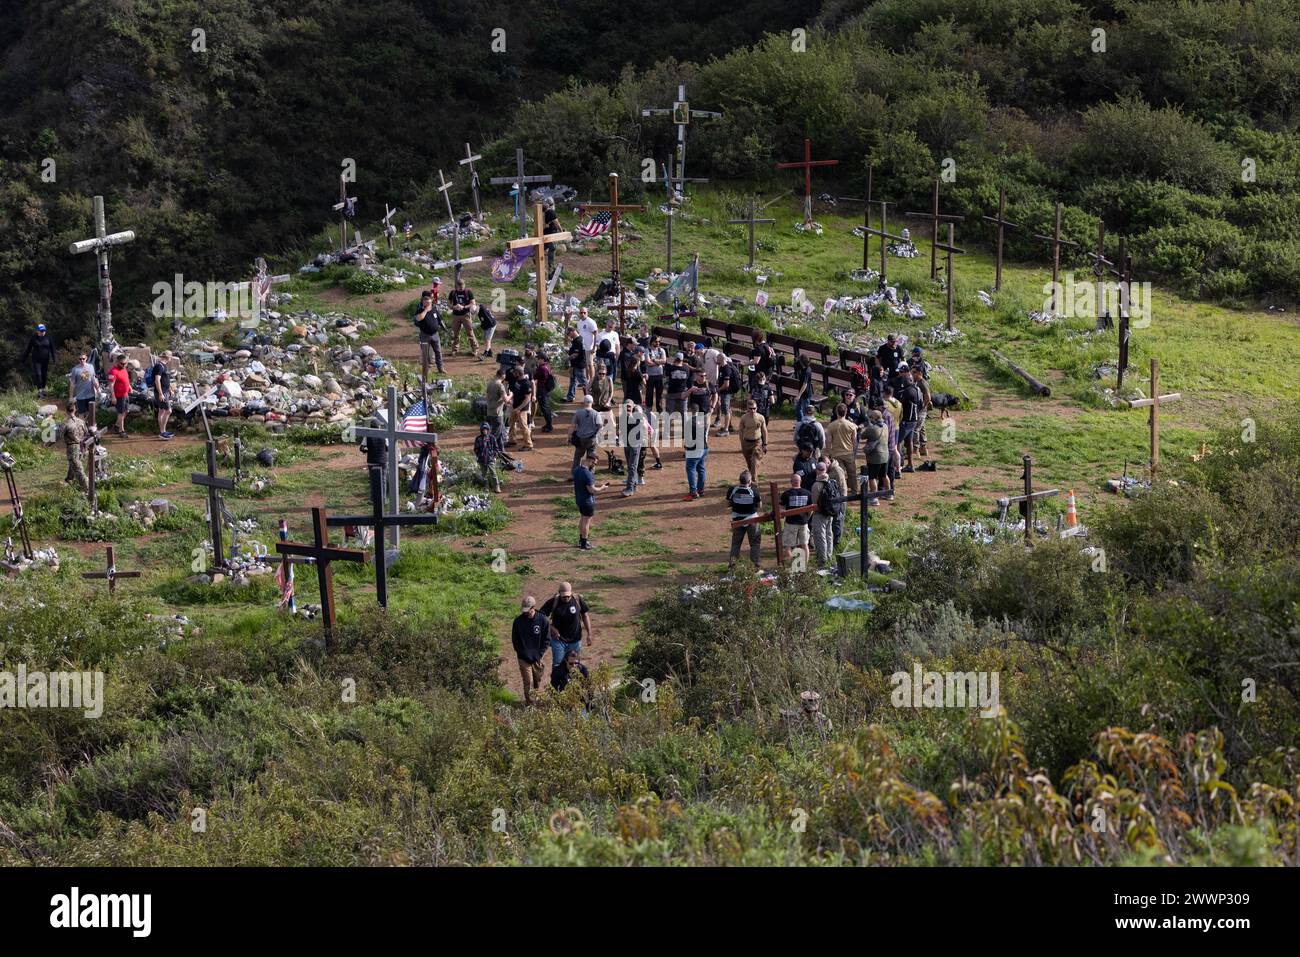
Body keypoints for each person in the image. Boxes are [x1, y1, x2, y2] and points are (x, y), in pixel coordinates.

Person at [541, 582, 592, 678]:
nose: (566, 598)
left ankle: (573, 688)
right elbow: (541, 617)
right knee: (558, 665)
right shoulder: (553, 602)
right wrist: (551, 628)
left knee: (574, 664)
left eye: (568, 596)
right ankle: (557, 688)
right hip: (558, 640)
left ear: (571, 593)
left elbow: (585, 615)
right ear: (559, 593)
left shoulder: (577, 600)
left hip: (575, 640)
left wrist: (589, 634)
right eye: (564, 596)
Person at [511, 596, 551, 705]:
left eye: (528, 610)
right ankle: (530, 704)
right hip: (523, 658)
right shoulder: (518, 622)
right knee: (528, 681)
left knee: (537, 680)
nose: (526, 613)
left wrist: (539, 654)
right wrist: (522, 654)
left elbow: (546, 640)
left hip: (537, 657)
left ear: (533, 607)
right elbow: (515, 641)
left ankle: (536, 698)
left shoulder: (543, 620)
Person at [726, 470, 762, 570]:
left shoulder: (732, 489)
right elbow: (760, 505)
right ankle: (755, 567)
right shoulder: (754, 491)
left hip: (737, 520)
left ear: (739, 480)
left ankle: (732, 567)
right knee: (755, 544)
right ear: (750, 481)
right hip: (752, 520)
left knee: (736, 544)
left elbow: (728, 503)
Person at [573, 449, 609, 550]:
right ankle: (584, 544)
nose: (594, 465)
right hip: (587, 501)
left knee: (582, 519)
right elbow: (592, 490)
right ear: (591, 461)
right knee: (586, 522)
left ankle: (581, 541)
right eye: (595, 463)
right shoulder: (587, 474)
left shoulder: (576, 470)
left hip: (579, 499)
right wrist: (602, 488)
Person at [589, 362, 619, 473]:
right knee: (598, 424)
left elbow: (611, 392)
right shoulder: (593, 379)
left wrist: (608, 400)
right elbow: (587, 389)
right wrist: (591, 399)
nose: (602, 375)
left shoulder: (609, 380)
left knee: (611, 421)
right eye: (600, 373)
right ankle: (597, 438)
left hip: (605, 404)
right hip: (596, 405)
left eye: (603, 373)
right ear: (597, 372)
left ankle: (614, 437)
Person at [779, 474, 813, 569]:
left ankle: (793, 566)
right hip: (803, 523)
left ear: (791, 482)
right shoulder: (808, 493)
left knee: (788, 545)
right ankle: (804, 566)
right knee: (805, 544)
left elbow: (781, 510)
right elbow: (811, 509)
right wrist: (807, 518)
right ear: (800, 482)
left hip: (790, 523)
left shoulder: (786, 494)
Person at [808, 462, 838, 568]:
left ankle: (822, 560)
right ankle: (829, 557)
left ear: (817, 470)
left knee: (820, 537)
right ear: (826, 470)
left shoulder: (816, 485)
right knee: (829, 535)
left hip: (819, 514)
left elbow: (815, 502)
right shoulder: (832, 482)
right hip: (830, 513)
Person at [412, 289, 446, 375]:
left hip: (435, 334)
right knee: (425, 354)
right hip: (425, 335)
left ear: (431, 301)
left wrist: (444, 328)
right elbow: (419, 318)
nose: (426, 302)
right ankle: (425, 371)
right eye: (424, 300)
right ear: (422, 301)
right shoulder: (420, 310)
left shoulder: (434, 309)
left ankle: (441, 369)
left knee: (438, 352)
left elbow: (439, 319)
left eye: (428, 300)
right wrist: (425, 310)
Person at [825, 403, 858, 491]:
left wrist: (828, 453)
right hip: (849, 453)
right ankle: (854, 490)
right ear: (846, 412)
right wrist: (854, 452)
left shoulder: (831, 426)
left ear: (836, 412)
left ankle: (841, 491)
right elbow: (854, 441)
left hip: (836, 453)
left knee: (840, 474)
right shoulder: (852, 426)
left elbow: (828, 441)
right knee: (852, 473)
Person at [618, 400, 647, 496]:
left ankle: (629, 489)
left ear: (633, 407)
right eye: (625, 407)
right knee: (630, 465)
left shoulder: (637, 415)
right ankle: (633, 486)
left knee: (632, 466)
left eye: (629, 407)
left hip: (635, 444)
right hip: (627, 443)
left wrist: (630, 415)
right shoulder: (623, 416)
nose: (627, 409)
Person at [738, 397, 769, 481]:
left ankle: (754, 484)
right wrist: (742, 443)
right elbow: (741, 431)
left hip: (757, 442)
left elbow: (764, 430)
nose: (752, 411)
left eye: (754, 408)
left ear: (757, 408)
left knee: (754, 463)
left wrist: (765, 444)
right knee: (750, 465)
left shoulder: (761, 417)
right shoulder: (744, 418)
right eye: (750, 409)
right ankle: (749, 481)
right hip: (746, 443)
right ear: (747, 408)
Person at [144, 353, 174, 440]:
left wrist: (169, 389)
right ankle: (162, 432)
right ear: (167, 357)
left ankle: (163, 431)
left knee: (161, 411)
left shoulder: (164, 366)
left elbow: (166, 379)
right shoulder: (159, 366)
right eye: (170, 357)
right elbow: (157, 380)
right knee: (168, 410)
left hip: (165, 391)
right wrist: (160, 393)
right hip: (161, 392)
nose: (171, 358)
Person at [898, 371, 923, 473]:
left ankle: (898, 464)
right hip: (914, 419)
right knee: (909, 442)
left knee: (897, 442)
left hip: (907, 420)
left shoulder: (907, 391)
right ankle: (910, 465)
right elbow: (921, 404)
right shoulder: (918, 389)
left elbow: (900, 404)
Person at [506, 365, 535, 451]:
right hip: (515, 407)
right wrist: (510, 400)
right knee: (511, 422)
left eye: (515, 373)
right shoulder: (517, 381)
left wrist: (519, 408)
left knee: (523, 426)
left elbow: (527, 398)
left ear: (518, 373)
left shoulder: (526, 383)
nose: (513, 374)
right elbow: (515, 393)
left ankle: (528, 444)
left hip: (522, 409)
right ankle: (512, 440)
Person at [862, 408, 891, 497]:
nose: (870, 419)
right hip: (885, 455)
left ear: (874, 418)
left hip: (875, 457)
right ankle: (888, 493)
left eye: (871, 417)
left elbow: (862, 436)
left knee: (872, 477)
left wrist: (865, 426)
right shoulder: (885, 426)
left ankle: (874, 497)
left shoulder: (872, 428)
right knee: (884, 475)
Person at [447, 278, 480, 355]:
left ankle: (475, 349)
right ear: (456, 286)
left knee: (470, 332)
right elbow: (448, 303)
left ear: (464, 285)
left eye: (462, 286)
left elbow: (473, 303)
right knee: (455, 333)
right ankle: (455, 349)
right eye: (460, 286)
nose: (461, 288)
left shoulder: (468, 292)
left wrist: (464, 307)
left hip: (466, 315)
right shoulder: (453, 292)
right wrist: (453, 307)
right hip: (456, 315)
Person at [21, 324, 55, 397]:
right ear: (37, 331)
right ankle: (39, 391)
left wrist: (54, 358)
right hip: (36, 360)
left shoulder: (48, 338)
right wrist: (23, 359)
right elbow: (28, 349)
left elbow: (52, 349)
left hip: (45, 360)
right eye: (41, 331)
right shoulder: (33, 338)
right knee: (38, 375)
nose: (43, 332)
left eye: (44, 331)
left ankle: (43, 389)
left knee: (44, 375)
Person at [61, 404, 89, 492]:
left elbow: (58, 435)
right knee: (74, 464)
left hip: (72, 447)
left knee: (78, 468)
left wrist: (47, 443)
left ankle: (87, 488)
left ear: (66, 411)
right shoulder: (81, 421)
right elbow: (86, 432)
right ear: (75, 410)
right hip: (82, 446)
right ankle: (69, 479)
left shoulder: (66, 423)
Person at [682, 410, 709, 500]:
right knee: (701, 468)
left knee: (691, 469)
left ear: (690, 411)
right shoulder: (703, 420)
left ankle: (693, 492)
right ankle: (701, 490)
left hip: (694, 449)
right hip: (704, 447)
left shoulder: (689, 422)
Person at [569, 394, 602, 468]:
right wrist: (596, 436)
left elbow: (573, 426)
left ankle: (576, 475)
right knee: (591, 458)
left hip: (580, 439)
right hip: (592, 440)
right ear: (592, 403)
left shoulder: (578, 413)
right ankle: (590, 475)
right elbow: (600, 426)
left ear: (584, 402)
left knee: (577, 458)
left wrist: (569, 436)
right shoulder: (596, 414)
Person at [664, 351, 691, 441]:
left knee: (669, 413)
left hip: (671, 393)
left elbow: (667, 376)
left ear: (676, 359)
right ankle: (686, 433)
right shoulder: (686, 368)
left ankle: (666, 434)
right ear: (682, 360)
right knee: (684, 413)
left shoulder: (671, 368)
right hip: (683, 393)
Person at [714, 355, 741, 435]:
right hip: (724, 392)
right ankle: (729, 426)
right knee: (728, 409)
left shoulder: (726, 369)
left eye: (717, 358)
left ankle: (726, 430)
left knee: (726, 411)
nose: (716, 360)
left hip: (726, 392)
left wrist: (718, 389)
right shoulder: (722, 367)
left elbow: (726, 385)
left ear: (721, 359)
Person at [68, 352, 97, 423]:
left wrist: (98, 389)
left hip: (90, 394)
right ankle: (82, 428)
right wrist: (71, 396)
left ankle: (90, 427)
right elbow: (72, 383)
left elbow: (93, 379)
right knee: (81, 413)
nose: (82, 360)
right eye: (80, 359)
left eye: (83, 359)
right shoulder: (75, 369)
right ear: (78, 359)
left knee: (91, 412)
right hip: (80, 396)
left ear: (86, 358)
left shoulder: (91, 367)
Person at [474, 421, 503, 492]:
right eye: (483, 430)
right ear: (481, 430)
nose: (485, 431)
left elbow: (496, 448)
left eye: (486, 430)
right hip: (482, 459)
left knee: (493, 473)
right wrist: (478, 455)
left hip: (490, 459)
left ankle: (496, 486)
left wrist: (494, 456)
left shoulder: (492, 438)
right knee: (484, 474)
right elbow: (476, 449)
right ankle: (486, 486)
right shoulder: (478, 438)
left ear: (488, 430)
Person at [911, 364, 932, 458]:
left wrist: (922, 408)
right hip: (921, 409)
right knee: (921, 428)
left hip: (921, 410)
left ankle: (915, 450)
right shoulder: (918, 382)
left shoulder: (922, 382)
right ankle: (923, 448)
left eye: (914, 372)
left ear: (919, 373)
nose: (912, 374)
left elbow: (928, 397)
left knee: (915, 429)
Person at [107, 353, 132, 437]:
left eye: (125, 363)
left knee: (126, 411)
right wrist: (113, 396)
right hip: (119, 396)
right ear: (117, 362)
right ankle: (121, 431)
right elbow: (111, 385)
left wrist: (130, 387)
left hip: (125, 394)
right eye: (122, 363)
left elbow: (126, 380)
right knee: (121, 413)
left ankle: (117, 426)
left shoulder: (124, 369)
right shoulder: (113, 371)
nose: (124, 365)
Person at [565, 328, 588, 402]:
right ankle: (570, 397)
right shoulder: (575, 340)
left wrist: (567, 358)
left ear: (572, 331)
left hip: (579, 364)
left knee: (583, 382)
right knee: (573, 381)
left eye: (568, 334)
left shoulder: (579, 340)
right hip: (574, 364)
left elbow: (576, 354)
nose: (568, 336)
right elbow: (573, 351)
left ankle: (588, 398)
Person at [645, 336, 667, 413]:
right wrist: (658, 362)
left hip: (659, 375)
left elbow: (664, 361)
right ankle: (648, 410)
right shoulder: (647, 350)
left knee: (659, 394)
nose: (658, 343)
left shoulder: (662, 350)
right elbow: (648, 362)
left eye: (659, 342)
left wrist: (654, 360)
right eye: (656, 341)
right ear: (652, 342)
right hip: (650, 376)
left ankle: (660, 411)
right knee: (649, 393)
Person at [535, 353, 556, 432]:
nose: (538, 360)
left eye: (539, 359)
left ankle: (549, 426)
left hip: (542, 390)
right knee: (546, 408)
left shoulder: (542, 368)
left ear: (543, 359)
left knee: (545, 408)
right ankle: (548, 424)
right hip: (545, 390)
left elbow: (535, 376)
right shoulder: (547, 366)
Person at [578, 307, 599, 382]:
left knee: (590, 364)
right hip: (582, 346)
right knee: (585, 365)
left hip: (589, 347)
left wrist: (594, 346)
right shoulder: (579, 322)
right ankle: (587, 380)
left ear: (587, 313)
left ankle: (592, 380)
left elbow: (596, 334)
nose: (583, 314)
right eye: (581, 312)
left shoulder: (590, 322)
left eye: (584, 312)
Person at [793, 355, 814, 421]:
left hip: (806, 394)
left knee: (806, 411)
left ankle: (806, 424)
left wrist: (799, 395)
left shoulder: (807, 371)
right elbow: (795, 366)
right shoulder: (803, 368)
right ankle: (800, 423)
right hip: (801, 392)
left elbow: (805, 384)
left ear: (802, 362)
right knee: (798, 408)